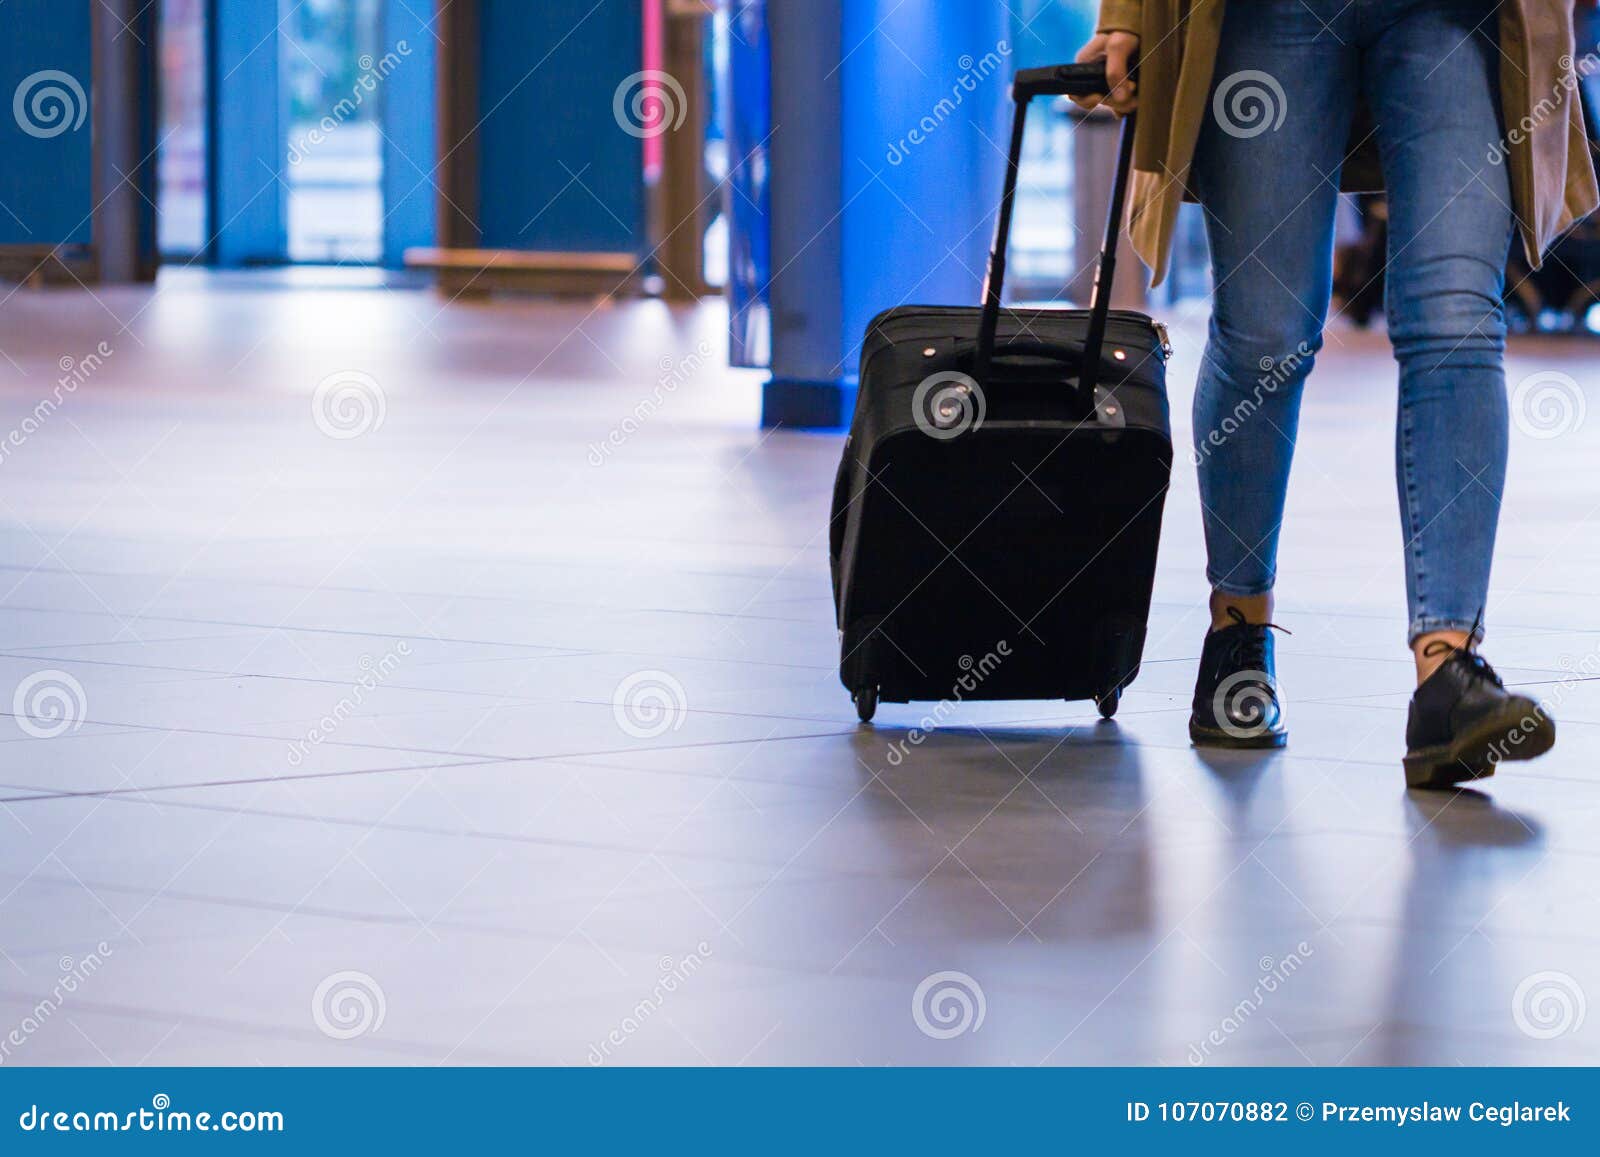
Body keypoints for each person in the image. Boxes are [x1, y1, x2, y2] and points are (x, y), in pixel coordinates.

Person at [1071, 0, 1598, 787]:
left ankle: (1447, 675)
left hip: (1453, 16)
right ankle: (1239, 633)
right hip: (1267, 16)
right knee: (1267, 335)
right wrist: (1125, 14)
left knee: (1457, 317)